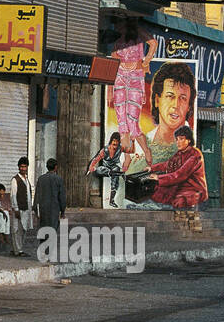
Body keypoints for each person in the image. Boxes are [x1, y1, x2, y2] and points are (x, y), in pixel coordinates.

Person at [108, 20, 156, 164]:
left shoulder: (138, 33)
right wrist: (110, 90)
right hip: (120, 77)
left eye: (119, 23)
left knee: (132, 121)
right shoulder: (116, 39)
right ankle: (127, 156)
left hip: (135, 77)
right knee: (122, 121)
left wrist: (146, 61)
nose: (117, 26)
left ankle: (146, 150)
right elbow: (113, 65)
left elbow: (153, 44)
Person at [147, 125, 207, 209]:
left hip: (193, 189)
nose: (178, 142)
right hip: (179, 186)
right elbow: (168, 164)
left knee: (178, 202)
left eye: (181, 139)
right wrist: (152, 168)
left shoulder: (195, 155)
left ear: (189, 140)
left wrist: (158, 178)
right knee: (156, 192)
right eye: (177, 139)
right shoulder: (180, 153)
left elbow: (180, 175)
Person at [88, 131, 130, 208]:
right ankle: (115, 173)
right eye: (114, 142)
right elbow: (96, 158)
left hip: (115, 167)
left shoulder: (120, 148)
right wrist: (91, 166)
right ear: (111, 141)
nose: (115, 145)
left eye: (117, 143)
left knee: (115, 178)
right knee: (99, 170)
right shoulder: (105, 149)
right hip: (106, 168)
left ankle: (111, 201)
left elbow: (130, 152)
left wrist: (133, 141)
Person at [35, 158, 66, 239]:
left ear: (47, 167)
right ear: (56, 167)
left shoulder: (41, 179)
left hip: (43, 210)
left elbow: (37, 195)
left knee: (43, 230)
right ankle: (49, 250)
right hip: (54, 210)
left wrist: (36, 210)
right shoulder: (59, 179)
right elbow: (62, 197)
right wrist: (62, 211)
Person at [13, 157, 33, 251]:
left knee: (24, 229)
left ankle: (21, 248)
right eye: (21, 166)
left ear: (27, 167)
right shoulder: (15, 180)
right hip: (19, 209)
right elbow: (13, 195)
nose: (23, 168)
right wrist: (16, 209)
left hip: (26, 208)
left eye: (24, 166)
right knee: (17, 230)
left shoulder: (27, 180)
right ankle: (18, 250)